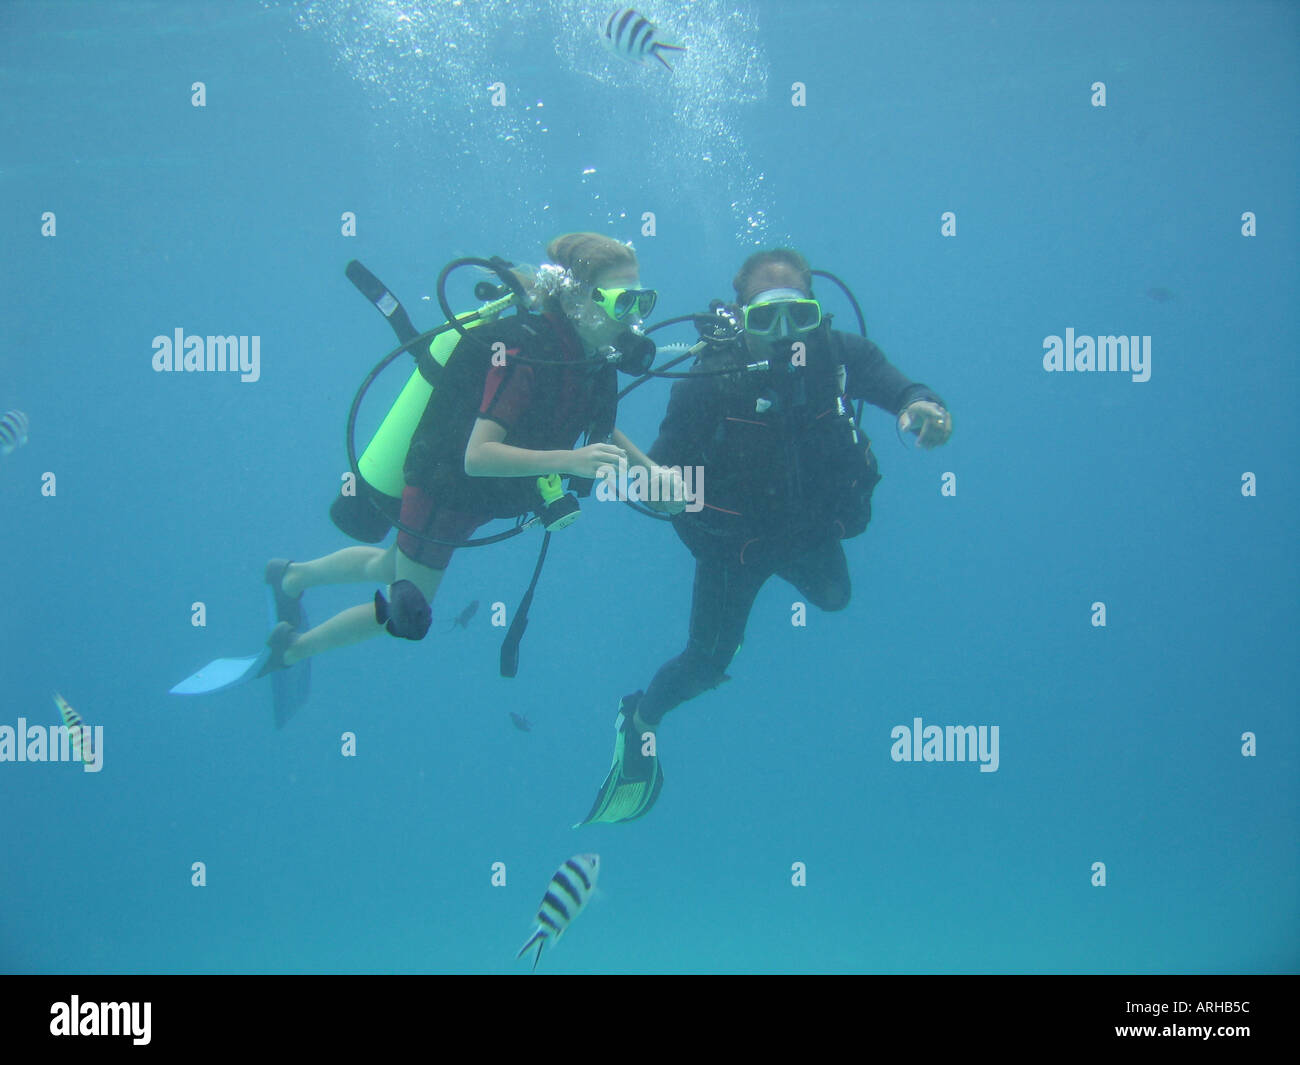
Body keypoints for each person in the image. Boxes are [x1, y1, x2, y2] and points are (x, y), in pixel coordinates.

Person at [579, 247, 953, 824]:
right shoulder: (709, 382)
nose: (784, 337)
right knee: (706, 662)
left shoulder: (840, 357)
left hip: (804, 532)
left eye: (797, 317)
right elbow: (661, 470)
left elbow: (898, 386)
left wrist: (922, 407)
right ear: (739, 316)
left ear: (816, 315)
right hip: (733, 548)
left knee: (835, 597)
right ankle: (641, 719)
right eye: (765, 319)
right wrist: (658, 485)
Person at [260, 232, 684, 678]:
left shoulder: (588, 356)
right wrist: (568, 461)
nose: (635, 318)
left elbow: (594, 418)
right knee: (409, 614)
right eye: (624, 303)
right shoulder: (525, 351)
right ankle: (291, 649)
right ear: (580, 298)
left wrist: (650, 470)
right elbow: (477, 455)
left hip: (483, 495)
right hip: (446, 489)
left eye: (643, 302)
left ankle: (290, 577)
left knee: (394, 562)